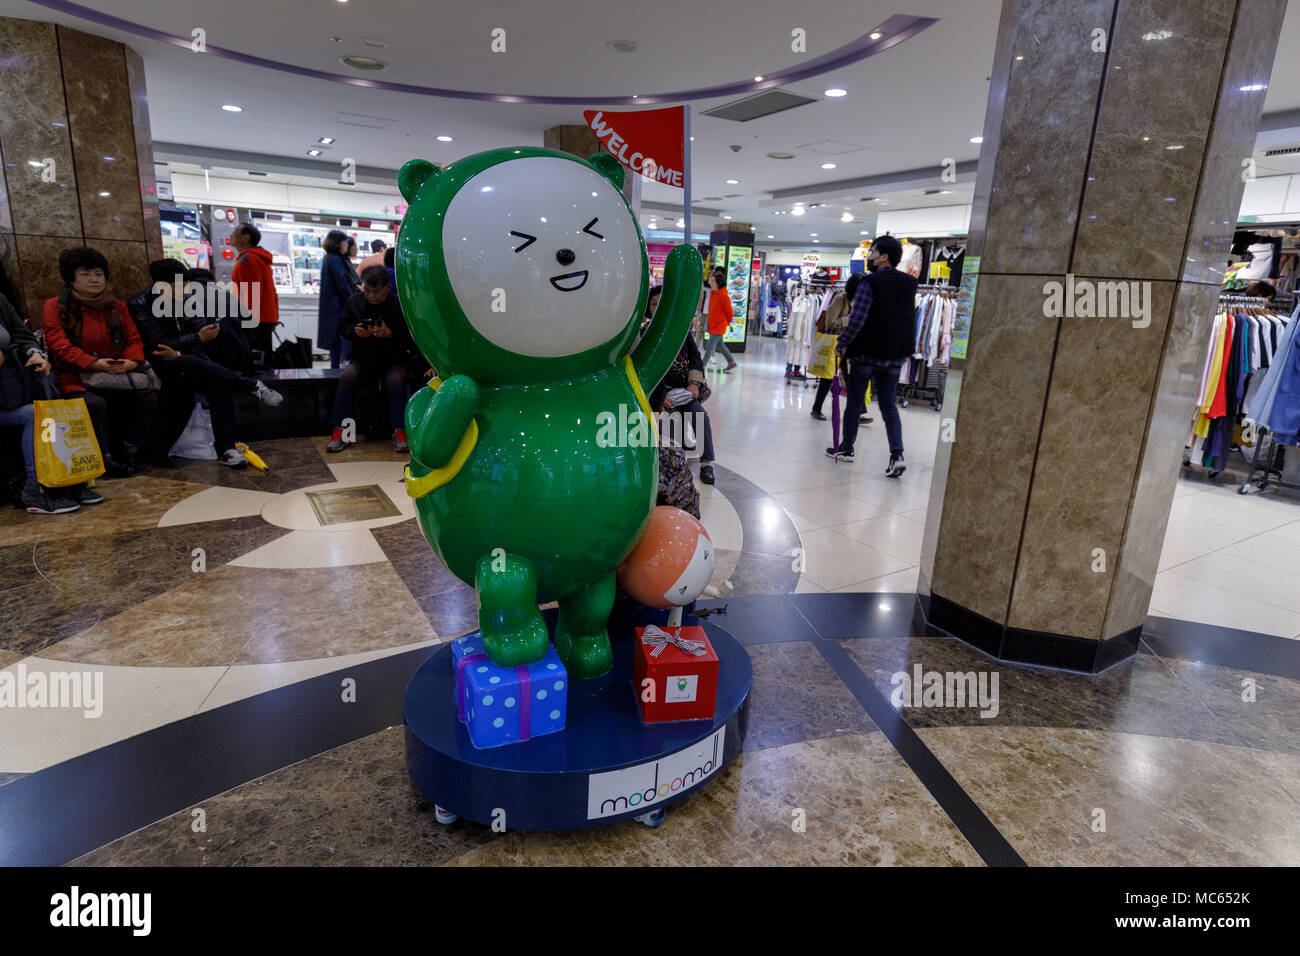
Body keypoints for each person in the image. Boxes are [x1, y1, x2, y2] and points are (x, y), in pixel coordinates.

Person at [134, 259, 283, 468]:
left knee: (217, 383)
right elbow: (158, 345)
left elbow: (202, 332)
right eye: (178, 286)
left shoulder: (189, 300)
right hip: (159, 364)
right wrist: (191, 342)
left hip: (191, 359)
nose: (185, 290)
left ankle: (227, 448)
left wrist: (183, 347)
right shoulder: (140, 305)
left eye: (185, 285)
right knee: (192, 363)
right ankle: (250, 384)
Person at [43, 247, 159, 477]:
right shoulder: (56, 306)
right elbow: (58, 344)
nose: (94, 279)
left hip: (116, 372)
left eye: (98, 274)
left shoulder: (118, 306)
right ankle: (103, 459)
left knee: (147, 398)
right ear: (71, 278)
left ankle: (130, 450)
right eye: (85, 274)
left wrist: (131, 362)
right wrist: (91, 363)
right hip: (74, 374)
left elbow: (134, 339)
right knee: (95, 404)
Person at [828, 234, 916, 476]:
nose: (870, 256)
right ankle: (896, 454)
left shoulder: (870, 283)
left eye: (873, 252)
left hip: (867, 353)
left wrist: (842, 342)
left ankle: (847, 449)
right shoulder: (909, 284)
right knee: (889, 405)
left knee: (855, 403)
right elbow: (909, 320)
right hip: (895, 355)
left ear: (883, 256)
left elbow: (857, 319)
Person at [0, 289, 88, 513]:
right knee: (34, 414)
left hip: (9, 386)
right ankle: (35, 487)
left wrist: (34, 352)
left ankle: (68, 479)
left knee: (53, 405)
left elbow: (22, 333)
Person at [325, 265, 414, 453]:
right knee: (347, 378)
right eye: (367, 290)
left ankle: (399, 429)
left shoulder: (398, 305)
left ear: (387, 288)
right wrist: (355, 331)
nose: (371, 295)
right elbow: (343, 327)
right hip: (363, 358)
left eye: (376, 291)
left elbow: (411, 337)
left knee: (396, 380)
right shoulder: (355, 301)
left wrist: (390, 334)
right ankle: (342, 431)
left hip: (393, 359)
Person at [646, 285, 720, 485]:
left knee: (699, 415)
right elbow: (645, 369)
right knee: (657, 425)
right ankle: (658, 464)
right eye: (654, 304)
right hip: (658, 395)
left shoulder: (680, 330)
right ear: (648, 308)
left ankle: (707, 464)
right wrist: (661, 396)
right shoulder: (645, 334)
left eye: (661, 303)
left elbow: (695, 357)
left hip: (684, 390)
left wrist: (694, 384)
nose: (658, 307)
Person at [810, 273, 872, 426]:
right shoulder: (840, 299)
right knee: (828, 378)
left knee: (852, 380)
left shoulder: (861, 302)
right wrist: (850, 319)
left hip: (851, 346)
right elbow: (831, 323)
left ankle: (857, 413)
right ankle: (816, 408)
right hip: (836, 345)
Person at [230, 223, 279, 361]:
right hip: (264, 317)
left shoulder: (248, 259)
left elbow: (251, 292)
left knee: (254, 360)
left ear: (246, 238)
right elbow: (271, 291)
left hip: (254, 319)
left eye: (235, 232)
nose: (231, 235)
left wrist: (247, 319)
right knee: (262, 358)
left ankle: (258, 383)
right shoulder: (259, 258)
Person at [318, 229, 359, 370]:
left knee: (334, 343)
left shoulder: (329, 258)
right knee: (341, 339)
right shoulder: (336, 259)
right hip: (338, 307)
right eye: (344, 241)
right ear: (338, 243)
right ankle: (339, 372)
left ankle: (335, 370)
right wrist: (354, 303)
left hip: (331, 307)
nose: (346, 244)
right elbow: (342, 285)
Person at [701, 273, 738, 372]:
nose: (711, 283)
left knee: (709, 346)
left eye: (713, 281)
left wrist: (726, 322)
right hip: (713, 325)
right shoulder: (713, 294)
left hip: (719, 326)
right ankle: (732, 362)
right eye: (711, 281)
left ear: (719, 283)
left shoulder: (723, 296)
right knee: (720, 345)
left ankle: (701, 366)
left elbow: (730, 313)